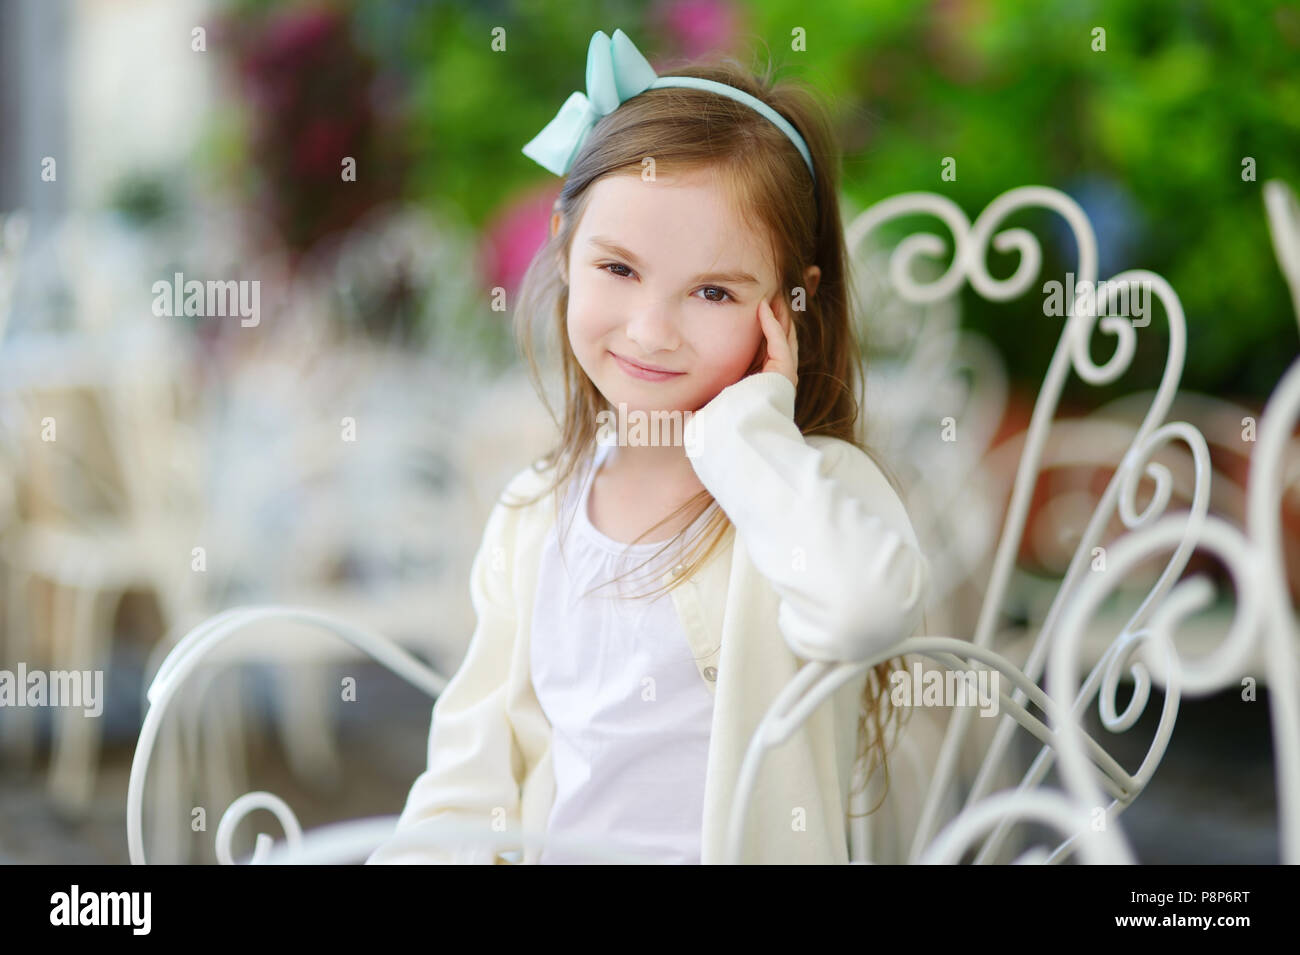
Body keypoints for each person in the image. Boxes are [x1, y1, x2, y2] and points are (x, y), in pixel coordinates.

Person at [367, 28, 930, 865]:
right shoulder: (533, 514)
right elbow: (466, 784)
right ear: (564, 243)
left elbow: (865, 613)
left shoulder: (809, 492)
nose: (651, 329)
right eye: (619, 269)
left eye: (713, 291)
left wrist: (748, 438)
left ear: (790, 305)